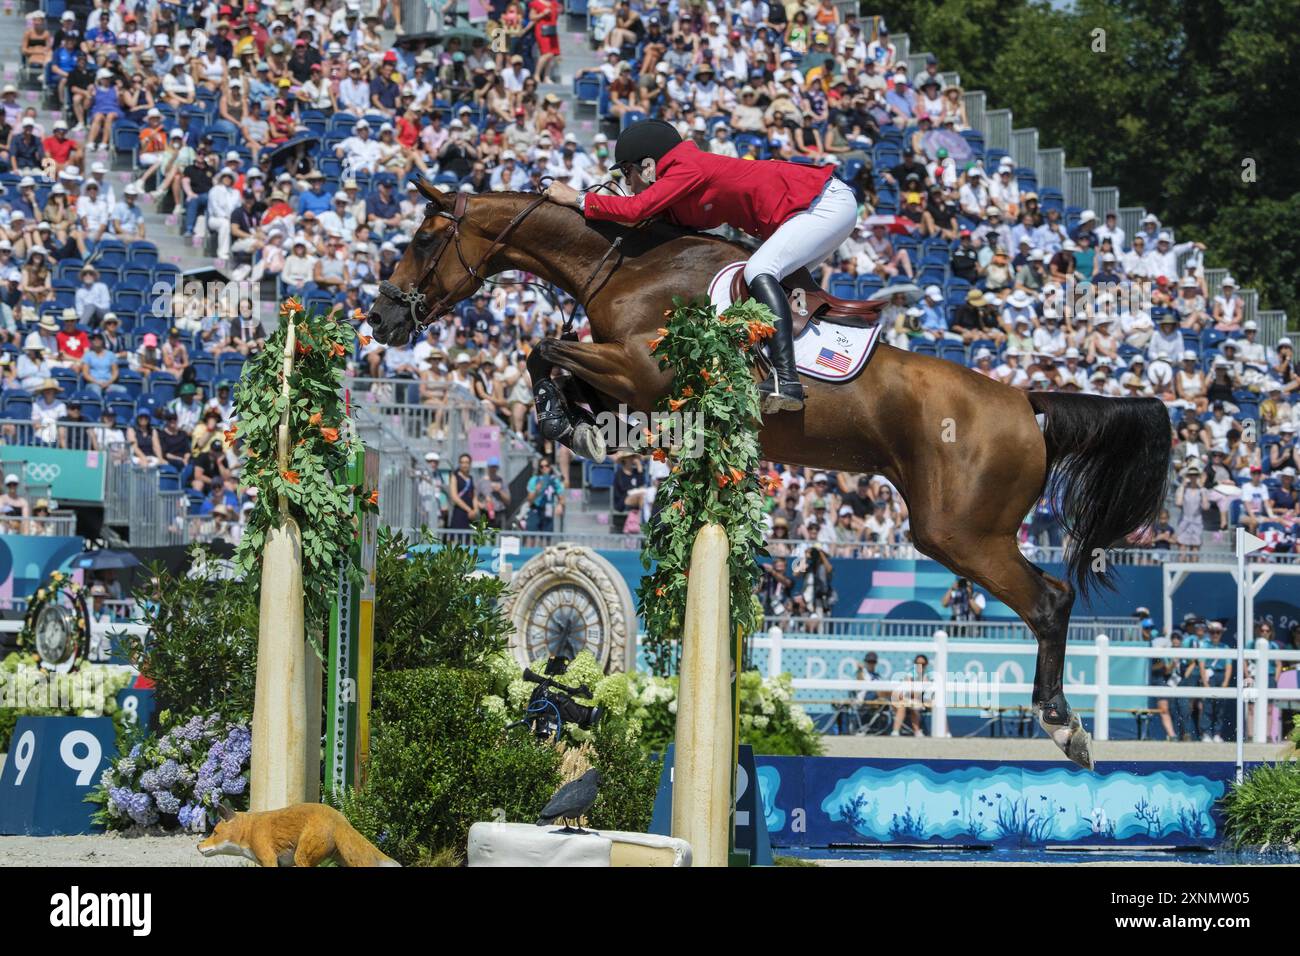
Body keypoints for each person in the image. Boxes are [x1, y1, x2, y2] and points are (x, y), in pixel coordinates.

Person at [543, 119, 857, 412]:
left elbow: (638, 208)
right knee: (759, 282)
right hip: (811, 208)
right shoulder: (685, 180)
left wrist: (578, 199)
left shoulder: (686, 166)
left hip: (822, 204)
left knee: (759, 271)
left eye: (628, 173)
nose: (628, 183)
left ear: (649, 166)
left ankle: (786, 380)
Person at [525, 455, 565, 533]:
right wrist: (536, 490)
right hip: (535, 510)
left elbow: (562, 497)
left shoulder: (554, 481)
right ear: (539, 468)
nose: (544, 468)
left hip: (548, 511)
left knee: (546, 537)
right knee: (530, 536)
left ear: (550, 467)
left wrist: (560, 505)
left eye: (546, 466)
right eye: (541, 466)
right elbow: (529, 500)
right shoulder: (534, 480)